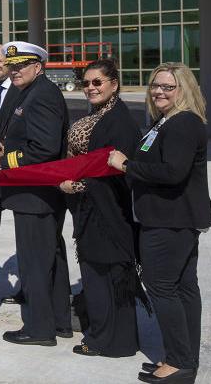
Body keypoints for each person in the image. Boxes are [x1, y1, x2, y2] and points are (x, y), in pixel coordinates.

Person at [108, 63, 211, 384]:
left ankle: (180, 362)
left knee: (162, 287)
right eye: (156, 85)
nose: (159, 92)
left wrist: (126, 165)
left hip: (171, 220)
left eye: (168, 87)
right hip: (172, 218)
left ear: (184, 90)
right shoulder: (165, 121)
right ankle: (183, 358)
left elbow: (173, 172)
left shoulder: (183, 123)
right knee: (183, 287)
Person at [57, 58, 144, 358]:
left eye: (97, 82)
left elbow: (115, 171)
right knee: (97, 275)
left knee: (108, 276)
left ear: (114, 84)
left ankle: (107, 341)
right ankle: (109, 337)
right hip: (91, 210)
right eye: (86, 83)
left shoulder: (119, 121)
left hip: (109, 211)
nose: (90, 88)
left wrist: (75, 186)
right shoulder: (98, 114)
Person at [0, 42, 72, 346]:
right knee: (49, 260)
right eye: (12, 66)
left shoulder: (43, 94)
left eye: (22, 65)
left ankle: (39, 329)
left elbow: (44, 148)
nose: (15, 71)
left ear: (38, 66)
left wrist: (5, 160)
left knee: (35, 263)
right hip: (35, 194)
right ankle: (59, 322)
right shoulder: (31, 92)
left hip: (36, 195)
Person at [0, 43, 24, 306]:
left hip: (22, 172)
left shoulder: (21, 91)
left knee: (32, 240)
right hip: (0, 174)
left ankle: (32, 288)